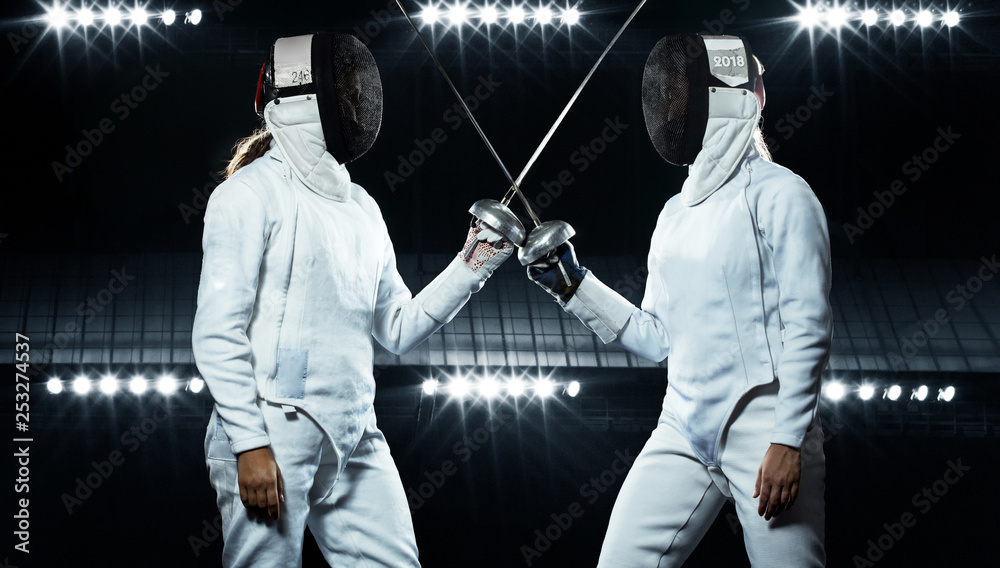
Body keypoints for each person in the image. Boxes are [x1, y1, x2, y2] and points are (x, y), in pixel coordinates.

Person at [192, 33, 513, 567]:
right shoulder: (246, 194)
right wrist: (248, 444)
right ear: (300, 95)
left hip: (354, 430)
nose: (358, 103)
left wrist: (473, 264)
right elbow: (216, 331)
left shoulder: (362, 207)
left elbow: (397, 327)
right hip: (270, 427)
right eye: (345, 89)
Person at [528, 34, 832, 566]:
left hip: (764, 427)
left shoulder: (782, 193)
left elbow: (809, 325)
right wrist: (572, 283)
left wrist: (787, 440)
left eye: (682, 93)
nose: (669, 106)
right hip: (683, 426)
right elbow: (656, 338)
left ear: (731, 100)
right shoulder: (674, 213)